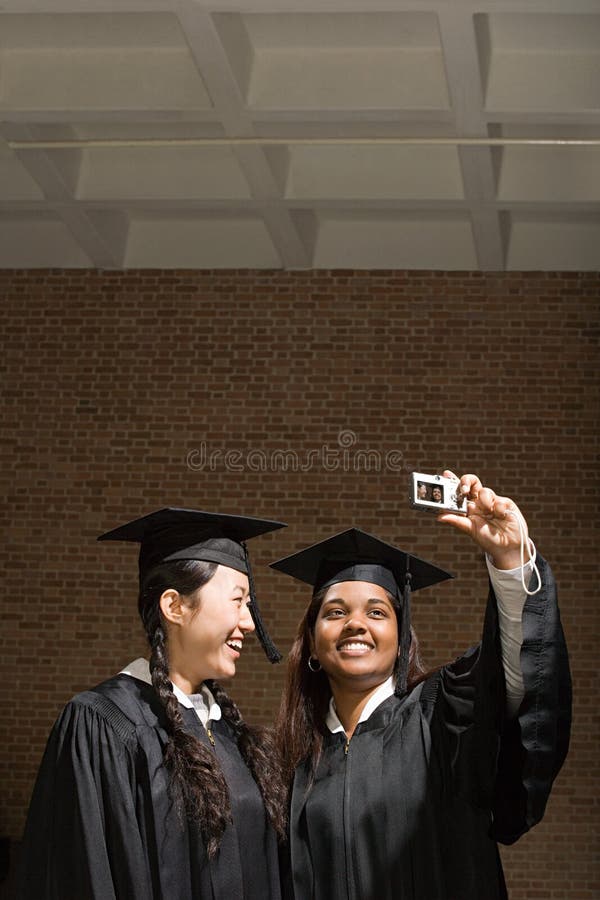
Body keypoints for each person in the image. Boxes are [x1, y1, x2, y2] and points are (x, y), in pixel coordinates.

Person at [272, 472, 571, 900]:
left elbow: (518, 684)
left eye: (377, 613)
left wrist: (510, 560)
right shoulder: (298, 765)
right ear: (313, 648)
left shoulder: (441, 718)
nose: (355, 623)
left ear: (401, 641)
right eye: (335, 612)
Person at [17, 507, 288, 900]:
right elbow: (85, 877)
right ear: (174, 606)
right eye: (237, 600)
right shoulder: (105, 725)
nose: (249, 621)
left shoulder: (232, 736)